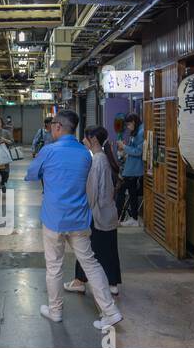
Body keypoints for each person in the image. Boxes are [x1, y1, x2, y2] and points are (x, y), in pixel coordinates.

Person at [25, 109, 123, 329]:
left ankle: (56, 311)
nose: (50, 128)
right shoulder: (84, 153)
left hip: (53, 219)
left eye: (52, 125)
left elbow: (30, 174)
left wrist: (47, 172)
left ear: (58, 127)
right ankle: (110, 311)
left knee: (54, 267)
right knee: (90, 263)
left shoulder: (49, 150)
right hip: (79, 219)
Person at [65, 126, 121, 295]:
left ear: (94, 139)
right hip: (108, 213)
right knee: (108, 248)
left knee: (85, 248)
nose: (83, 141)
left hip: (96, 214)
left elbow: (91, 192)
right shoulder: (104, 159)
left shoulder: (96, 161)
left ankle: (79, 281)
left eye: (85, 137)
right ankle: (112, 283)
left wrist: (80, 209)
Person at [115, 112, 144, 225]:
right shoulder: (138, 130)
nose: (127, 127)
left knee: (122, 190)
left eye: (128, 125)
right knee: (132, 193)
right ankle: (134, 218)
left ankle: (117, 218)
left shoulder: (141, 132)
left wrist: (124, 147)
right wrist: (125, 150)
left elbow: (138, 151)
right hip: (132, 167)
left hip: (134, 169)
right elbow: (134, 148)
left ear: (133, 122)